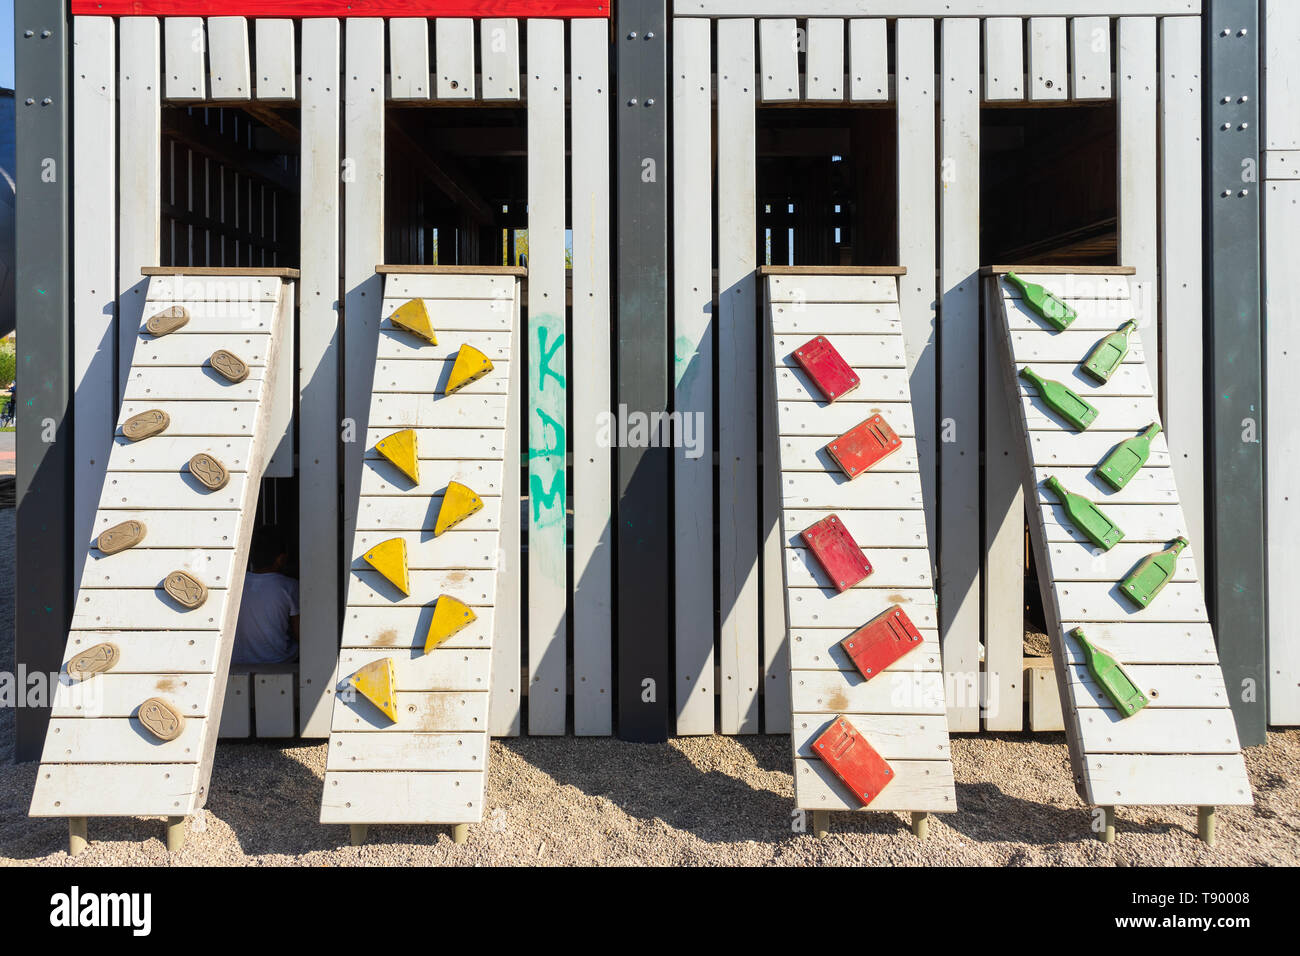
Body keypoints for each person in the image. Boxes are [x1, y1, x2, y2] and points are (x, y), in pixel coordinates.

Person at [232, 526, 300, 666]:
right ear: (281, 559)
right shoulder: (289, 586)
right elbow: (300, 633)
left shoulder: (235, 583)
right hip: (279, 661)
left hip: (235, 662)